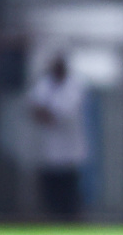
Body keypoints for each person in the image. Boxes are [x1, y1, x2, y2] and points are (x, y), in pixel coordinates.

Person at [26, 54, 88, 220]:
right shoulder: (45, 84)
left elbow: (60, 115)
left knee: (68, 199)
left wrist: (45, 112)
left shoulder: (74, 86)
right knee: (49, 198)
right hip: (47, 154)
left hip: (69, 156)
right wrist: (43, 113)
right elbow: (32, 109)